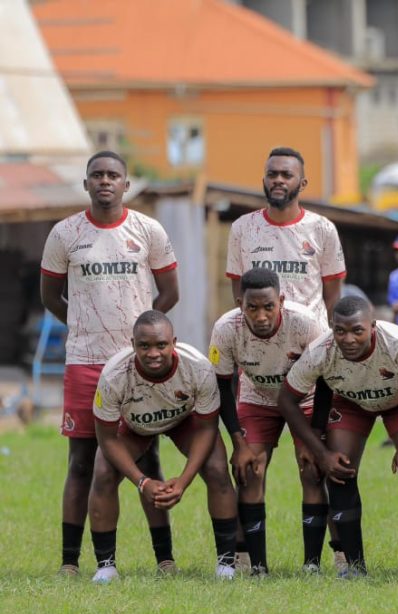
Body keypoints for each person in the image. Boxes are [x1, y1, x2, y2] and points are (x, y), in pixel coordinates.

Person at [39, 150, 180, 577]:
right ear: (86, 184)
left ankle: (165, 559)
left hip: (137, 365)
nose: (105, 181)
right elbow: (50, 297)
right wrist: (83, 325)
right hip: (84, 362)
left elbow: (169, 293)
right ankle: (70, 561)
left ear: (125, 184)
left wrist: (142, 340)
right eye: (97, 175)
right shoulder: (65, 234)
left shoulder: (147, 230)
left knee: (149, 460)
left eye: (112, 175)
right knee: (80, 462)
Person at [277, 296, 398, 578]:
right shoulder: (320, 351)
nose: (349, 338)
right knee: (339, 471)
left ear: (373, 327)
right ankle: (355, 568)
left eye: (357, 330)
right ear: (332, 328)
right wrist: (321, 452)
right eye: (340, 330)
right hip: (350, 404)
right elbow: (286, 400)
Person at [87, 311, 238, 582]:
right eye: (144, 346)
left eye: (161, 345)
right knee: (103, 473)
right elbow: (107, 439)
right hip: (135, 425)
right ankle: (106, 566)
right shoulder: (113, 375)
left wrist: (183, 482)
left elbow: (207, 428)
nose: (153, 353)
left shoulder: (198, 367)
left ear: (174, 342)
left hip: (184, 419)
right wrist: (143, 482)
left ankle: (226, 563)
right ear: (133, 344)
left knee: (216, 468)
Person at [209, 268, 328, 574]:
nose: (260, 316)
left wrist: (314, 440)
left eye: (268, 307)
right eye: (252, 308)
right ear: (240, 304)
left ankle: (312, 565)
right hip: (256, 398)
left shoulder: (305, 323)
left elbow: (326, 380)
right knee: (249, 471)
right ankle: (256, 566)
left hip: (307, 399)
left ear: (282, 301)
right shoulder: (225, 329)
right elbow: (223, 387)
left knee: (313, 470)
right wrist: (238, 443)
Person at [226, 147, 346, 327]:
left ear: (303, 184)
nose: (278, 180)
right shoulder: (242, 228)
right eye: (272, 175)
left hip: (309, 341)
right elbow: (239, 291)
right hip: (259, 340)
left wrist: (325, 342)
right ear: (264, 181)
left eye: (286, 175)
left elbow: (333, 296)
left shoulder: (323, 229)